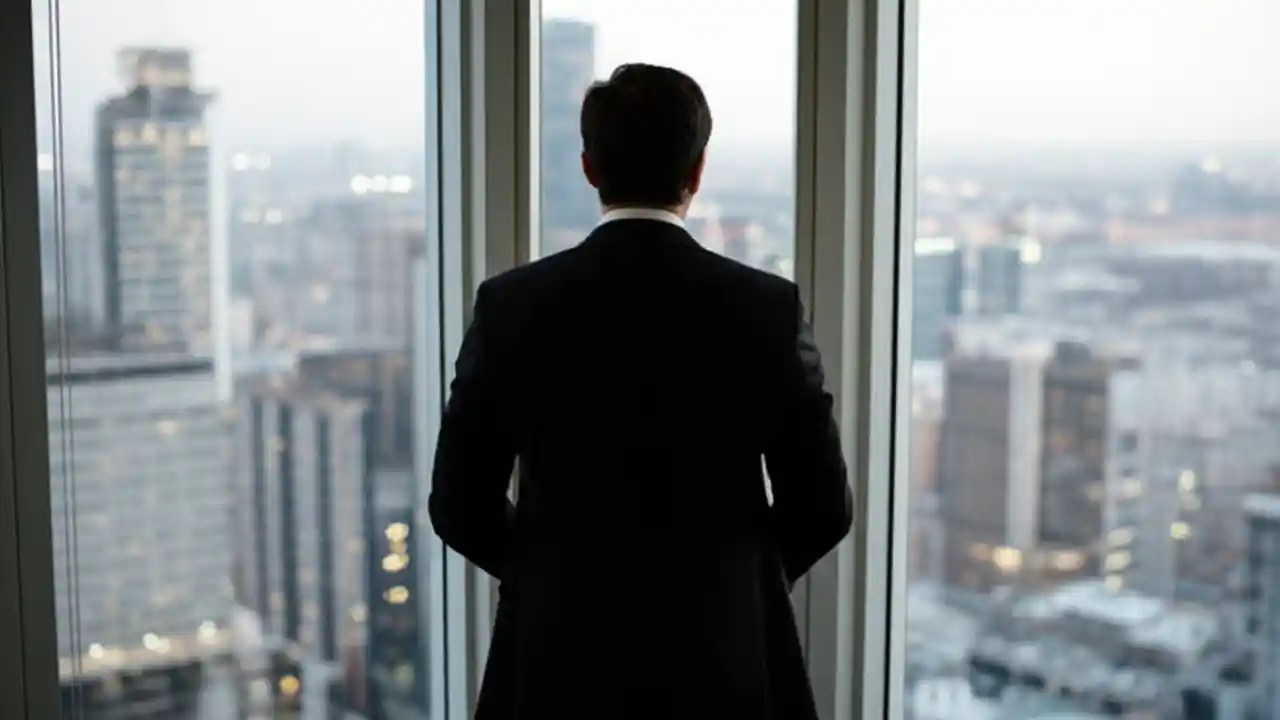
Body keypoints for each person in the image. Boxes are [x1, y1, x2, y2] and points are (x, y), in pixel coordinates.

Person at [429, 63, 852, 719]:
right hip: (725, 662)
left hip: (558, 662)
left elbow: (458, 503)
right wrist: (733, 581)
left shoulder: (512, 306)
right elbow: (824, 505)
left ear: (589, 167)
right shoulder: (765, 307)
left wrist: (552, 578)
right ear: (697, 168)